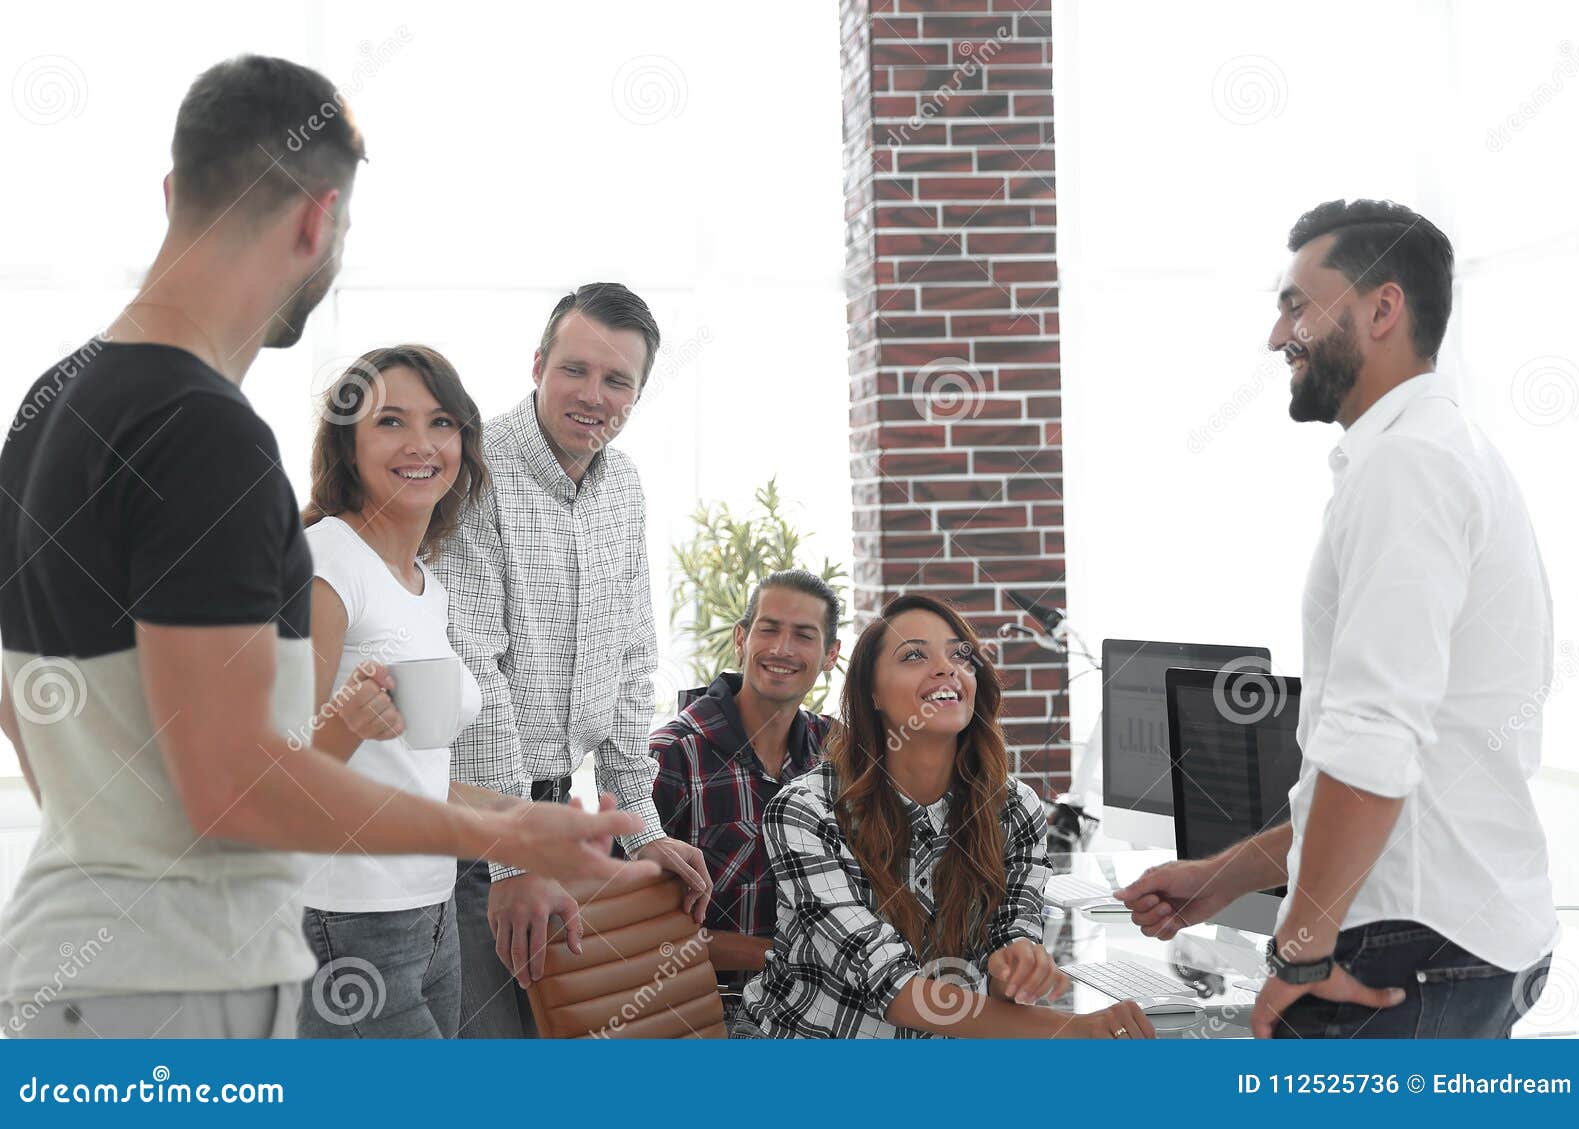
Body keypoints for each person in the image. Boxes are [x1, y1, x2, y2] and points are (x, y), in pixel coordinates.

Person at [0, 57, 654, 1040]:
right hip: (183, 984)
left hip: (82, 959)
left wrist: (118, 840)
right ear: (318, 220)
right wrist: (503, 830)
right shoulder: (205, 432)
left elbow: (24, 696)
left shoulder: (54, 403)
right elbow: (234, 785)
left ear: (175, 192)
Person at [1116, 199, 1557, 1039]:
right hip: (1450, 941)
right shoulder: (1434, 453)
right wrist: (1221, 876)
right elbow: (1392, 769)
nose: (1277, 335)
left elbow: (1372, 738)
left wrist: (1300, 954)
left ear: (1382, 308)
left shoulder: (1408, 466)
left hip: (1406, 952)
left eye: (1296, 303)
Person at [435, 283, 712, 1037]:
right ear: (537, 365)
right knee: (490, 1053)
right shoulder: (473, 470)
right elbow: (473, 674)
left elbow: (632, 658)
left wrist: (645, 824)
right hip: (473, 824)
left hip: (565, 818)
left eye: (617, 379)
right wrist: (512, 860)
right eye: (576, 370)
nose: (594, 395)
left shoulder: (623, 482)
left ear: (638, 392)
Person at [732, 594, 1153, 1039]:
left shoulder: (1016, 808)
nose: (946, 668)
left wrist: (1014, 960)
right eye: (914, 655)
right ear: (871, 693)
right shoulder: (805, 809)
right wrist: (1069, 1029)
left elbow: (1015, 932)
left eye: (960, 655)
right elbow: (893, 990)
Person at [296, 345, 496, 1037]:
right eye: (390, 423)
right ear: (347, 445)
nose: (421, 444)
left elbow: (419, 775)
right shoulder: (327, 560)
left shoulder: (423, 586)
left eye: (441, 422)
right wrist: (347, 723)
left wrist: (537, 826)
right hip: (346, 920)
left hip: (432, 910)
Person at [651, 569, 842, 1023]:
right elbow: (629, 933)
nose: (782, 649)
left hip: (825, 1013)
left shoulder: (839, 754)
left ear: (830, 654)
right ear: (741, 638)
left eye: (803, 635)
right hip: (703, 1013)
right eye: (769, 629)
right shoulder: (671, 756)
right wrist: (784, 956)